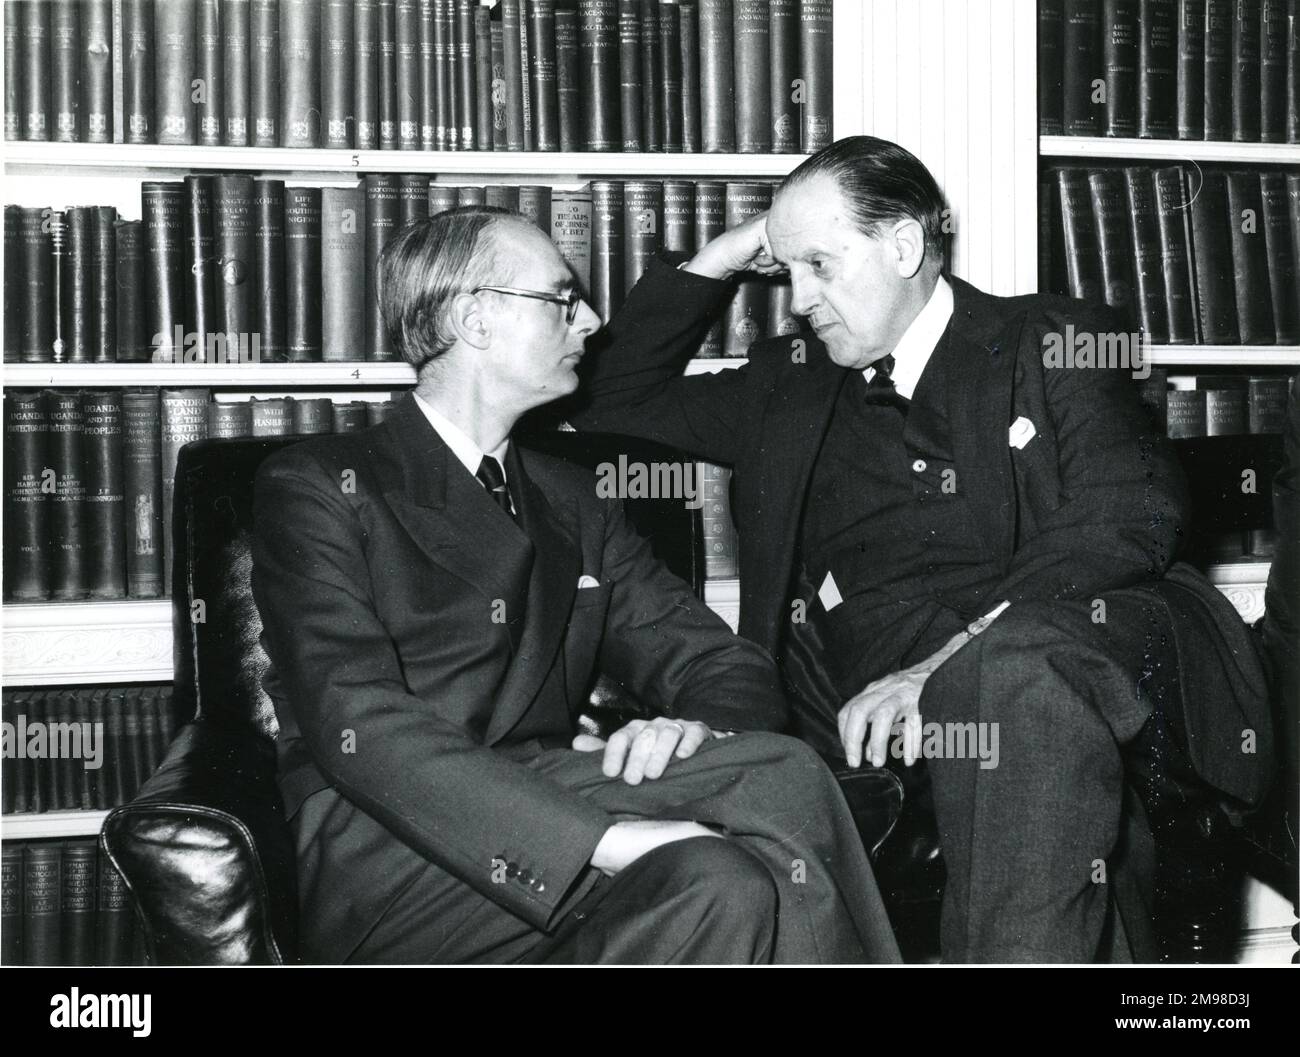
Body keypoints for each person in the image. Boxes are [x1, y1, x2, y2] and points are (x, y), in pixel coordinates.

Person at [569, 136, 1276, 962]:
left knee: (1016, 689)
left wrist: (945, 663)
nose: (798, 298)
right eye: (788, 268)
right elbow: (607, 402)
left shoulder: (1056, 338)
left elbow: (1130, 513)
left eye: (821, 267)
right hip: (865, 720)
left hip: (1041, 669)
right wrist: (726, 255)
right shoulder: (786, 383)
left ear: (903, 246)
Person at [249, 206, 901, 965]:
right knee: (784, 771)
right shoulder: (321, 484)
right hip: (394, 853)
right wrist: (610, 839)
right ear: (475, 318)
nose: (590, 320)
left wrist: (695, 727)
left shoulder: (571, 500)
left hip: (556, 801)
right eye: (562, 299)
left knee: (723, 881)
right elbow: (359, 726)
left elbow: (723, 665)